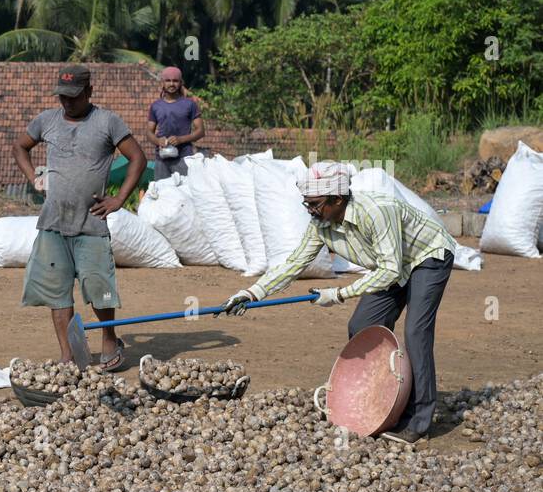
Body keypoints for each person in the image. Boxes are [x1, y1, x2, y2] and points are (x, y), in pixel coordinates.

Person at [221, 161, 457, 445]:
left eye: (316, 204)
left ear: (337, 199)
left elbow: (391, 271)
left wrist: (339, 294)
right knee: (362, 325)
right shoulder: (321, 223)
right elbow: (294, 264)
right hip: (391, 264)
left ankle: (418, 420)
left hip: (427, 257)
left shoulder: (376, 211)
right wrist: (252, 292)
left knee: (416, 333)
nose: (310, 210)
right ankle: (383, 399)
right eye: (307, 203)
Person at [11, 63, 147, 368]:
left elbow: (138, 157)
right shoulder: (47, 120)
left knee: (99, 287)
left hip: (91, 223)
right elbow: (20, 146)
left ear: (89, 91)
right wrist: (37, 179)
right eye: (63, 96)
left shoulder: (107, 122)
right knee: (57, 291)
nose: (67, 102)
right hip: (53, 222)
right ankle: (68, 355)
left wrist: (119, 199)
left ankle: (109, 342)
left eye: (74, 96)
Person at [146, 66, 204, 178]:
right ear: (162, 83)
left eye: (175, 81)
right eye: (168, 80)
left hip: (184, 159)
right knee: (162, 194)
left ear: (180, 83)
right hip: (162, 159)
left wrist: (181, 139)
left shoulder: (190, 104)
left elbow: (201, 131)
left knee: (185, 193)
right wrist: (158, 141)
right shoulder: (156, 106)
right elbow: (149, 132)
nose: (171, 84)